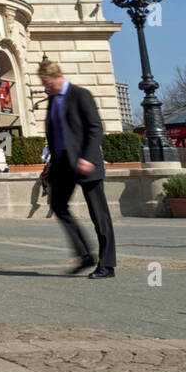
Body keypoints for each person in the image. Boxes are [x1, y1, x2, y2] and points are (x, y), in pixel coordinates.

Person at [39, 59, 116, 279]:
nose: (46, 87)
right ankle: (84, 255)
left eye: (47, 83)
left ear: (57, 77)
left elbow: (95, 128)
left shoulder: (80, 95)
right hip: (63, 163)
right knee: (58, 205)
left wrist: (88, 157)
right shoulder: (53, 100)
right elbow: (55, 133)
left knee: (98, 214)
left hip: (85, 162)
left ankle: (107, 264)